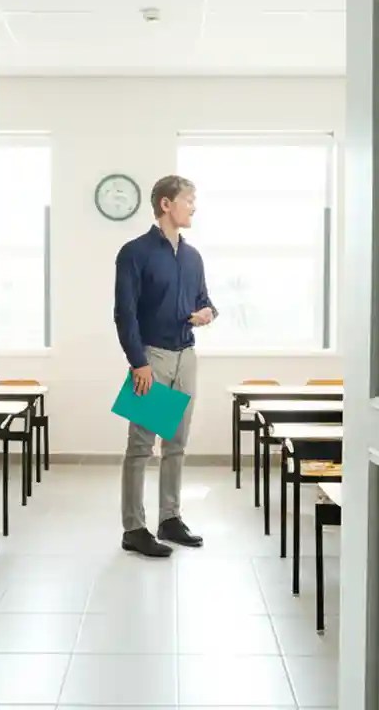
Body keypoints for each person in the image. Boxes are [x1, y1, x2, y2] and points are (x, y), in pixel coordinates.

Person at [113, 174, 217, 557]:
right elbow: (125, 313)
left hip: (186, 356)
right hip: (152, 358)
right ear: (166, 204)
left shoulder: (193, 256)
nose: (194, 206)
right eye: (189, 199)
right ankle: (134, 528)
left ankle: (170, 519)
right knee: (141, 447)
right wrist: (137, 362)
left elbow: (207, 299)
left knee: (177, 444)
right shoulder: (135, 252)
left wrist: (208, 313)